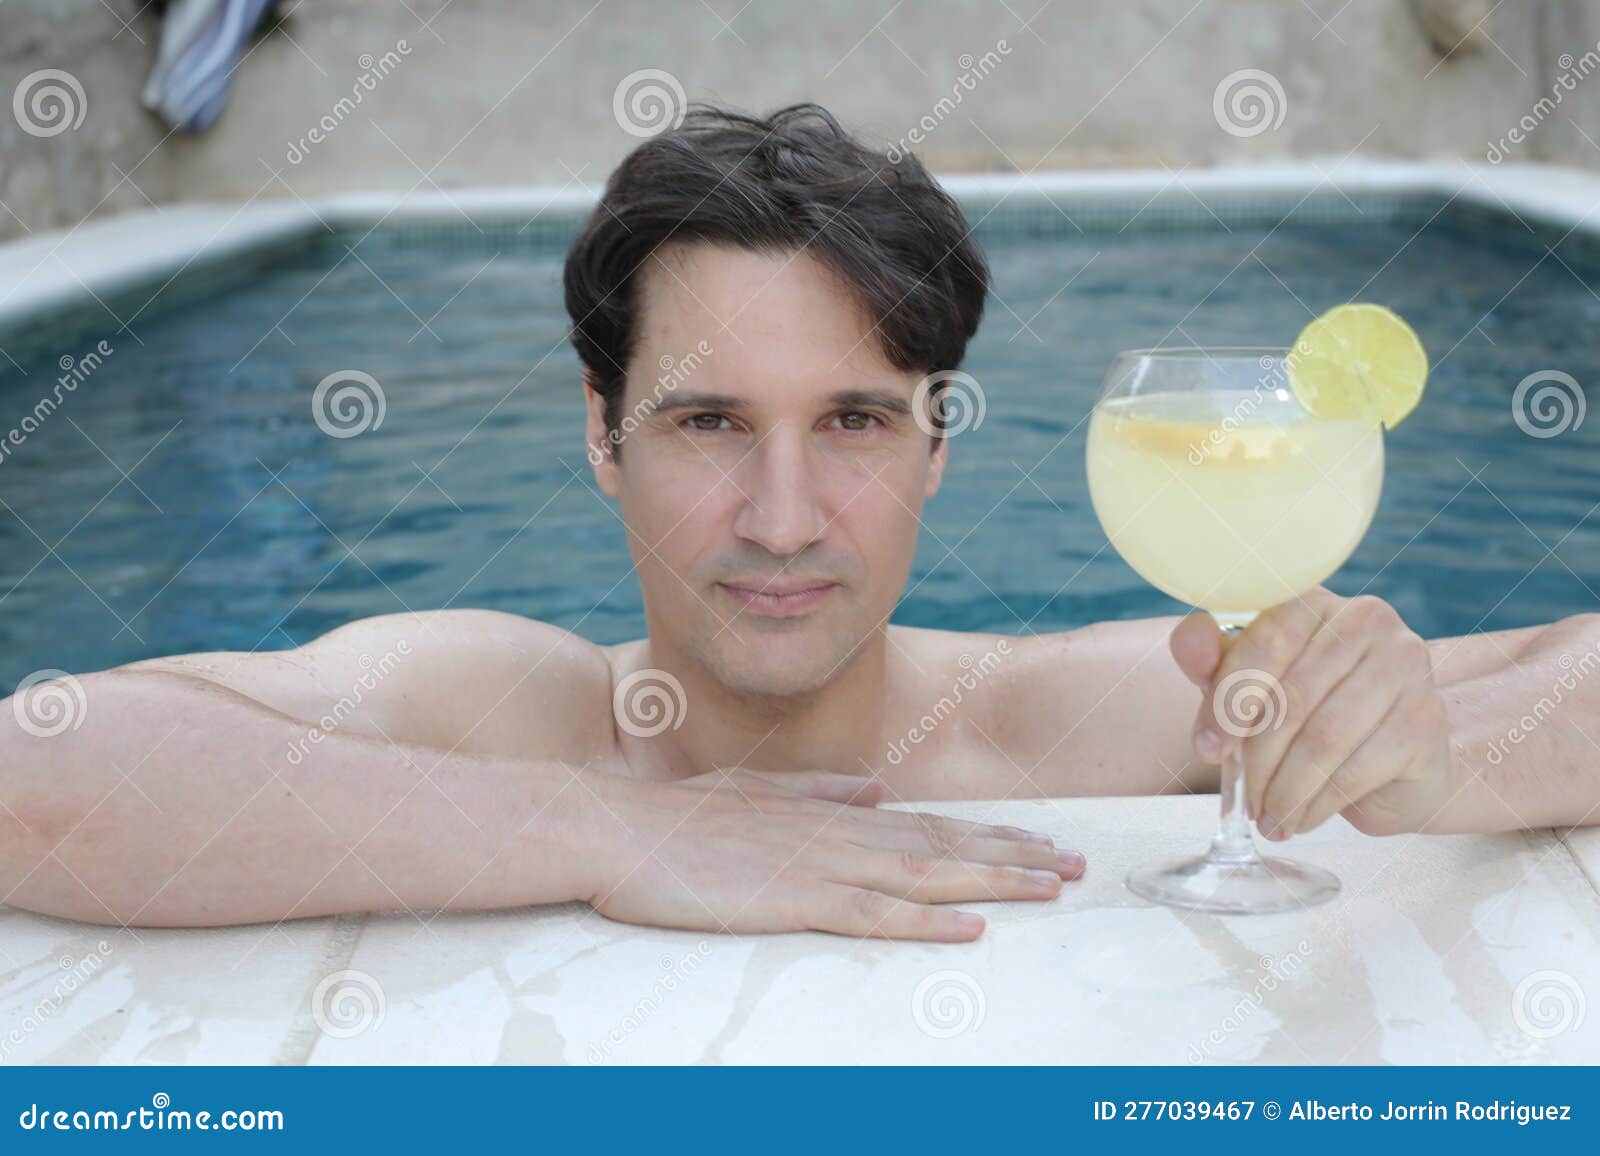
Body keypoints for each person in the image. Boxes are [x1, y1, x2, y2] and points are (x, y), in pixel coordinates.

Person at [3, 105, 1595, 942]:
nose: (782, 520)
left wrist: (1432, 763)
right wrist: (615, 832)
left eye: (852, 423)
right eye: (708, 422)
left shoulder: (1051, 722)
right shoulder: (518, 711)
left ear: (938, 444)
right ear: (601, 436)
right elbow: (38, 767)